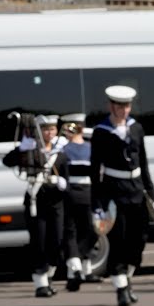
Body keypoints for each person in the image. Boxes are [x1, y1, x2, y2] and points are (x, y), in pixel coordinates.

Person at [90, 85, 154, 306]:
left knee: (137, 241)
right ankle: (121, 287)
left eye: (127, 106)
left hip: (136, 190)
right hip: (114, 191)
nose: (124, 110)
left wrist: (152, 193)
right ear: (111, 106)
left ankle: (127, 279)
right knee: (118, 241)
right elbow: (95, 170)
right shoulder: (101, 131)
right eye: (120, 106)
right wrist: (98, 202)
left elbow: (144, 163)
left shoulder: (136, 128)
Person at [2, 114, 68, 298]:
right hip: (36, 200)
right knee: (39, 241)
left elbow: (66, 177)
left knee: (56, 242)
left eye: (52, 129)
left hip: (55, 201)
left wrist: (62, 182)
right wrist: (20, 150)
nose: (49, 132)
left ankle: (49, 276)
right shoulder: (30, 148)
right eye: (45, 129)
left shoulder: (60, 151)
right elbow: (8, 161)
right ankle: (40, 284)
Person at [57, 113, 99, 293]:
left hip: (79, 193)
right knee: (81, 230)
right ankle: (78, 268)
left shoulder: (71, 149)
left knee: (81, 231)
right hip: (80, 193)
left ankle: (77, 267)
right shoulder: (68, 149)